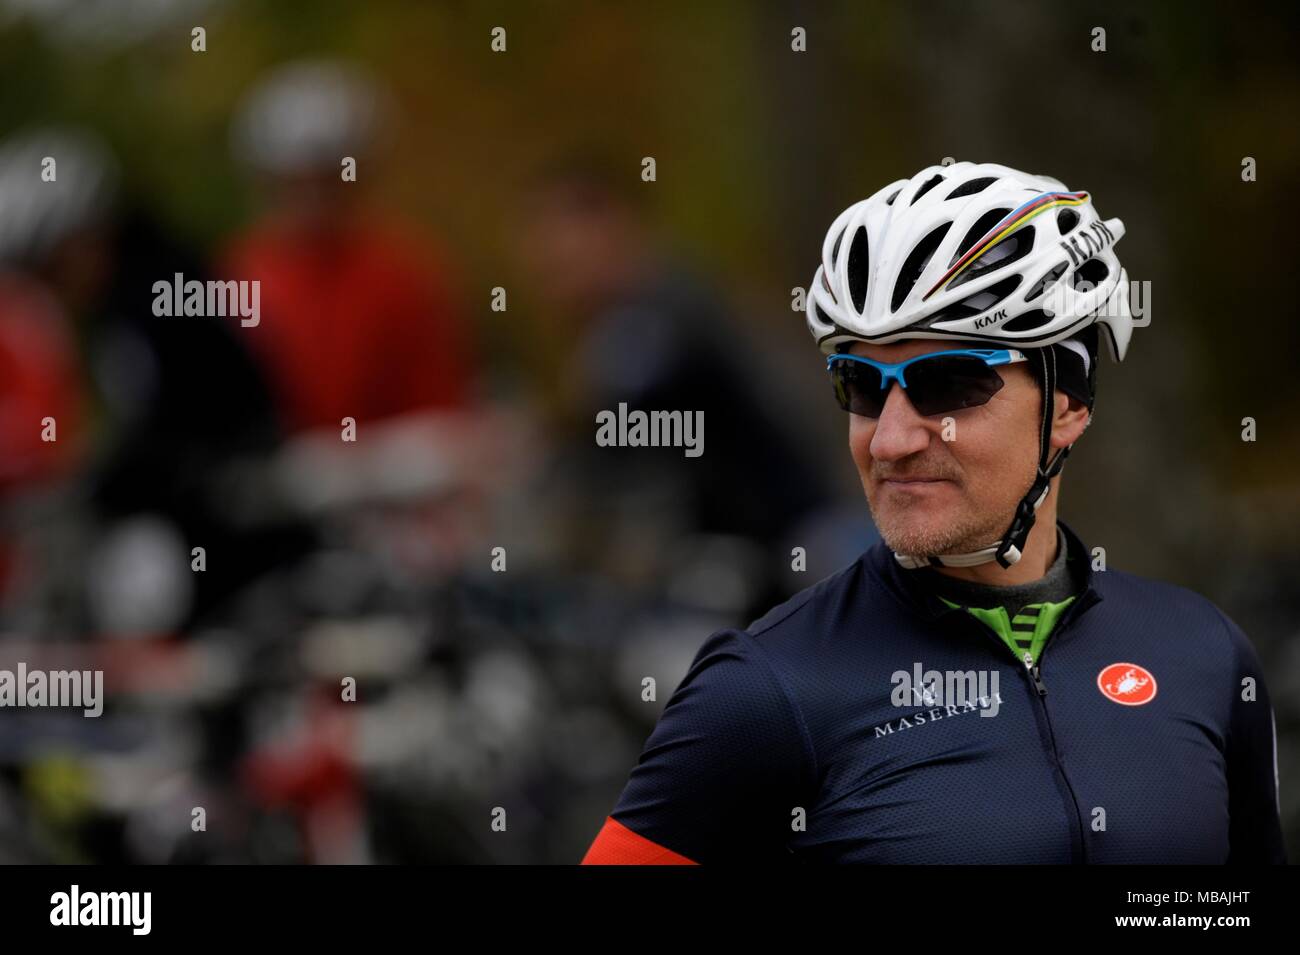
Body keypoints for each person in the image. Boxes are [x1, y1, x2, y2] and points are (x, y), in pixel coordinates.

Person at [581, 162, 1285, 864]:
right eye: (861, 383)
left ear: (1067, 404)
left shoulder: (1205, 656)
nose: (889, 439)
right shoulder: (763, 691)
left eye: (947, 382)